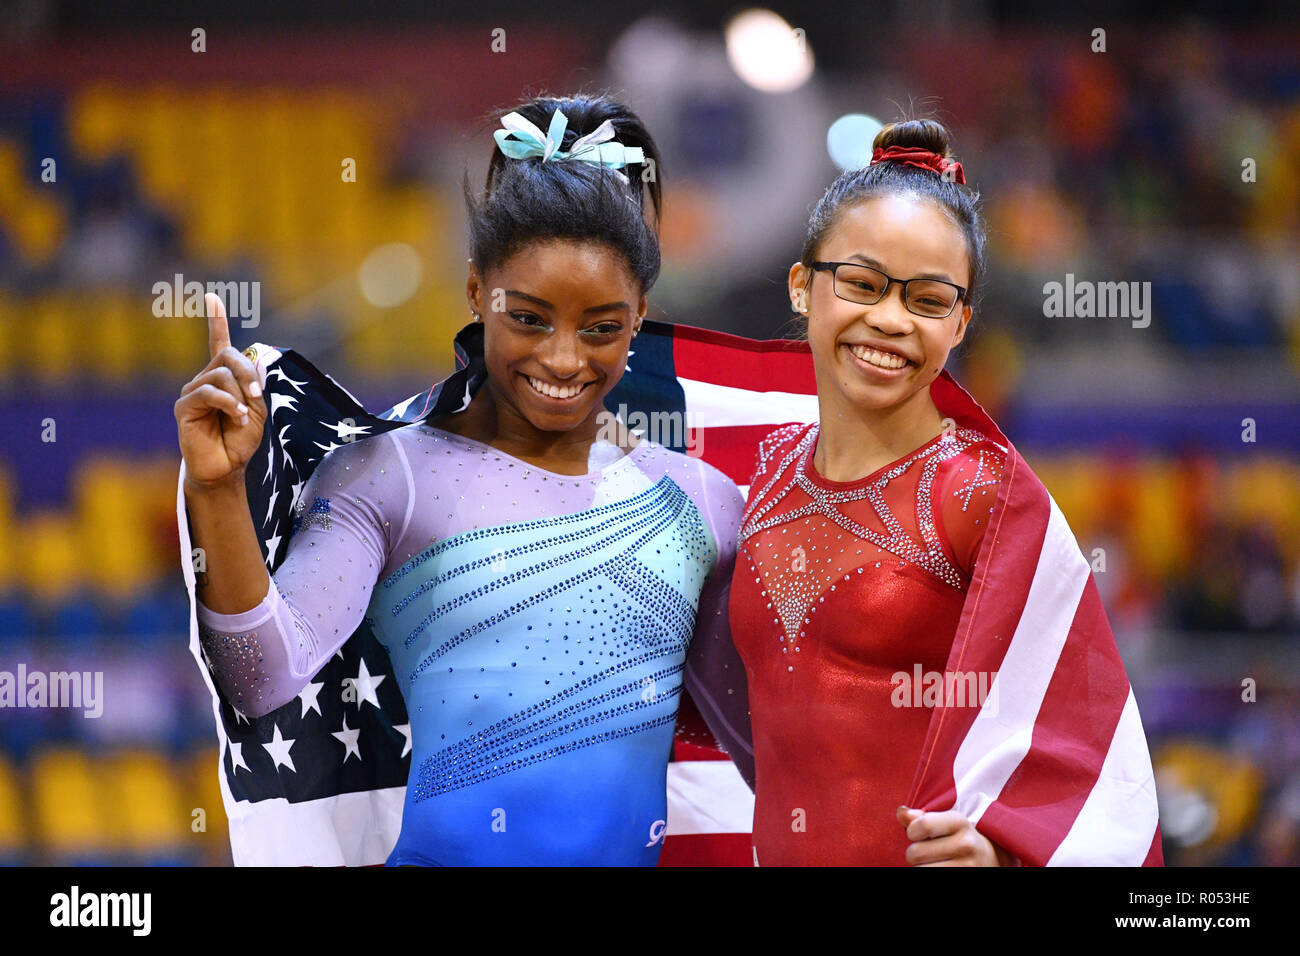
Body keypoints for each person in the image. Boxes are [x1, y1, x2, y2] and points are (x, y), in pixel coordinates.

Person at [176, 93, 753, 866]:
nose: (562, 359)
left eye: (601, 327)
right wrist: (217, 491)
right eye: (530, 319)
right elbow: (261, 676)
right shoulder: (392, 477)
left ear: (640, 315)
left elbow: (764, 740)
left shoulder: (703, 502)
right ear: (478, 292)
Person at [730, 118, 1162, 866]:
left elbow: (1087, 737)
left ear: (960, 322)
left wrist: (1001, 851)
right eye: (862, 284)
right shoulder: (764, 472)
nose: (890, 320)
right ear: (803, 287)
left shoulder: (982, 496)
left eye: (928, 301)